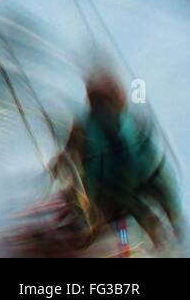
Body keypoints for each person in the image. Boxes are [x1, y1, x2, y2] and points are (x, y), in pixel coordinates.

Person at [58, 69, 183, 250]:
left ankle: (136, 244)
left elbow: (148, 171)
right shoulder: (104, 125)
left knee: (122, 230)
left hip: (118, 199)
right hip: (115, 200)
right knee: (122, 230)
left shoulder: (122, 125)